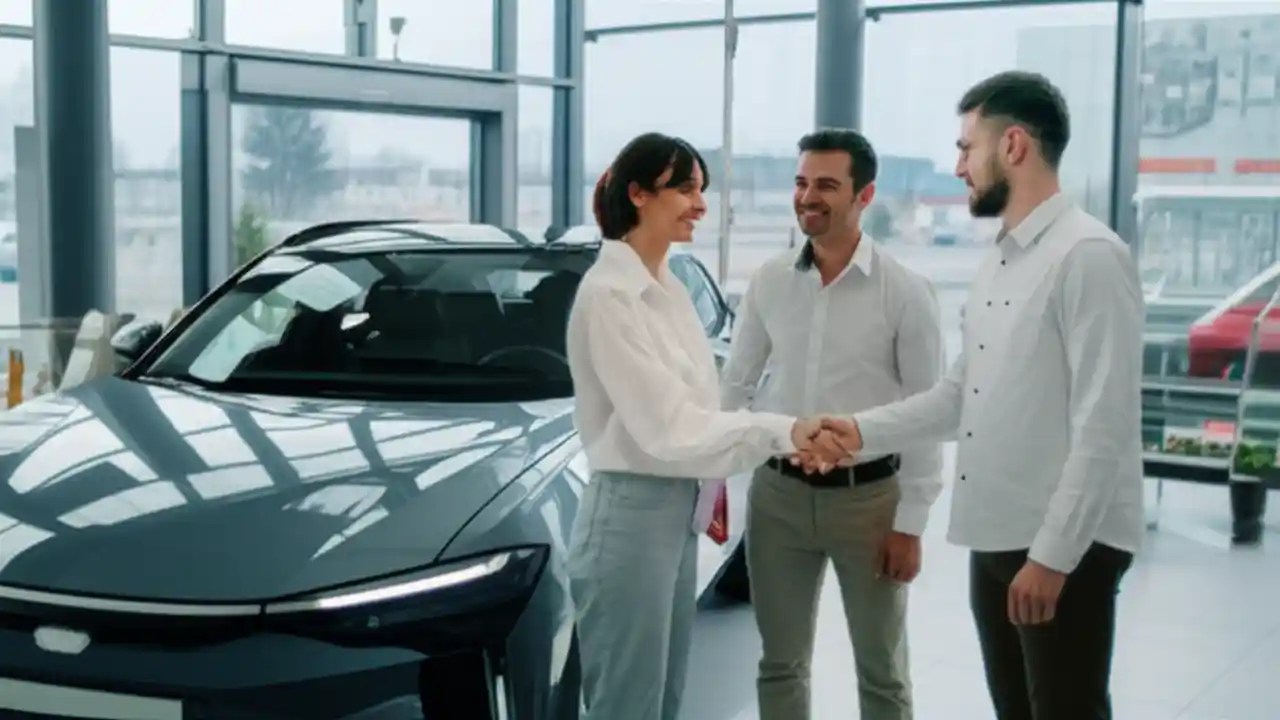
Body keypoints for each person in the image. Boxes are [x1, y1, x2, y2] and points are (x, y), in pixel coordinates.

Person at [806, 71, 1145, 720]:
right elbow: (963, 394)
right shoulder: (1004, 259)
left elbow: (1105, 425)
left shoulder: (1090, 257)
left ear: (1013, 145)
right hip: (996, 536)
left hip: (1059, 547)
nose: (959, 165)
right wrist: (859, 429)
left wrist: (1052, 557)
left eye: (967, 147)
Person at [563, 132, 846, 720]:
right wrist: (784, 432)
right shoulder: (610, 297)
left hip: (673, 513)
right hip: (630, 516)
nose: (700, 204)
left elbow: (706, 411)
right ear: (638, 194)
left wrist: (784, 432)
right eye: (686, 189)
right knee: (626, 706)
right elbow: (668, 428)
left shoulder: (667, 290)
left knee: (662, 701)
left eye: (702, 189)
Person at [720, 128, 945, 720]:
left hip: (868, 503)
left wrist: (912, 524)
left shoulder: (906, 292)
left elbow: (927, 412)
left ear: (864, 195)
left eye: (825, 184)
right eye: (800, 182)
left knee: (883, 671)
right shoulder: (769, 282)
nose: (807, 197)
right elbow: (737, 387)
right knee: (780, 663)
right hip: (777, 500)